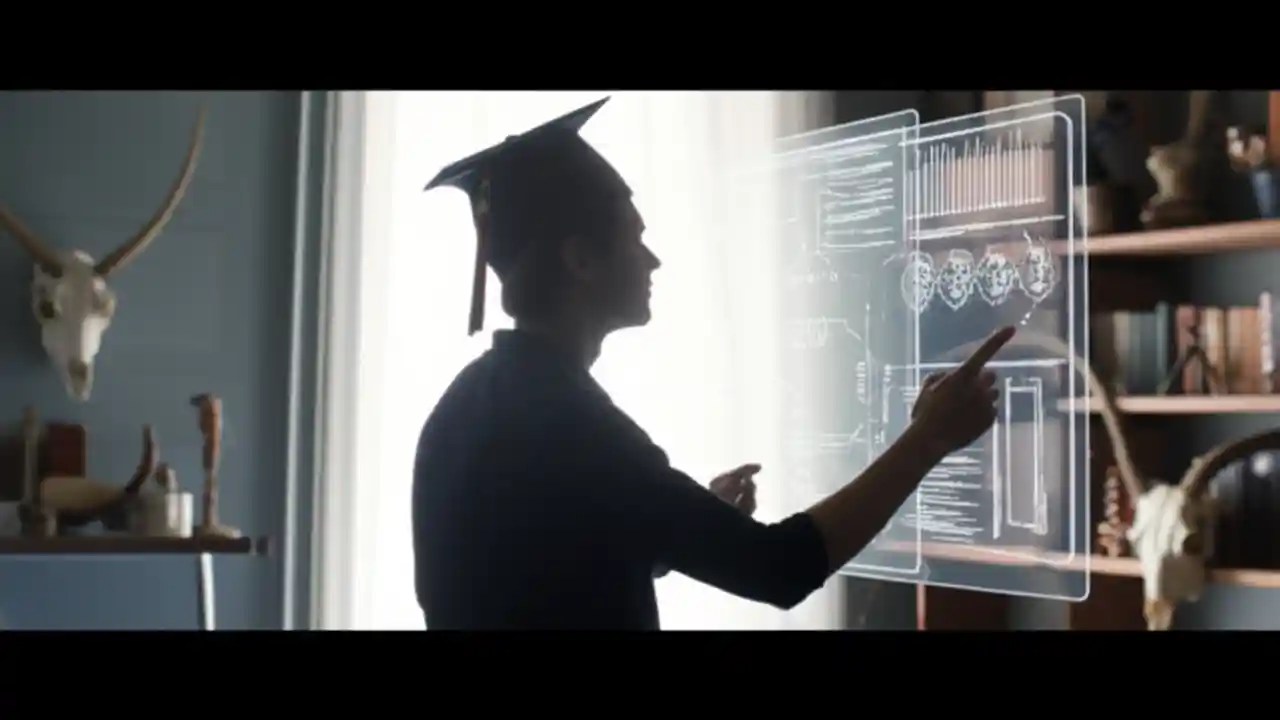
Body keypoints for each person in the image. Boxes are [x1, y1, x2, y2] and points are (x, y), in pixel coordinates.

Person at [412, 96, 1014, 630]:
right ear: (581, 262)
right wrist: (929, 437)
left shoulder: (468, 406)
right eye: (633, 238)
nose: (653, 262)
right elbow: (781, 568)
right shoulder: (571, 426)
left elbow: (548, 565)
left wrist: (688, 523)